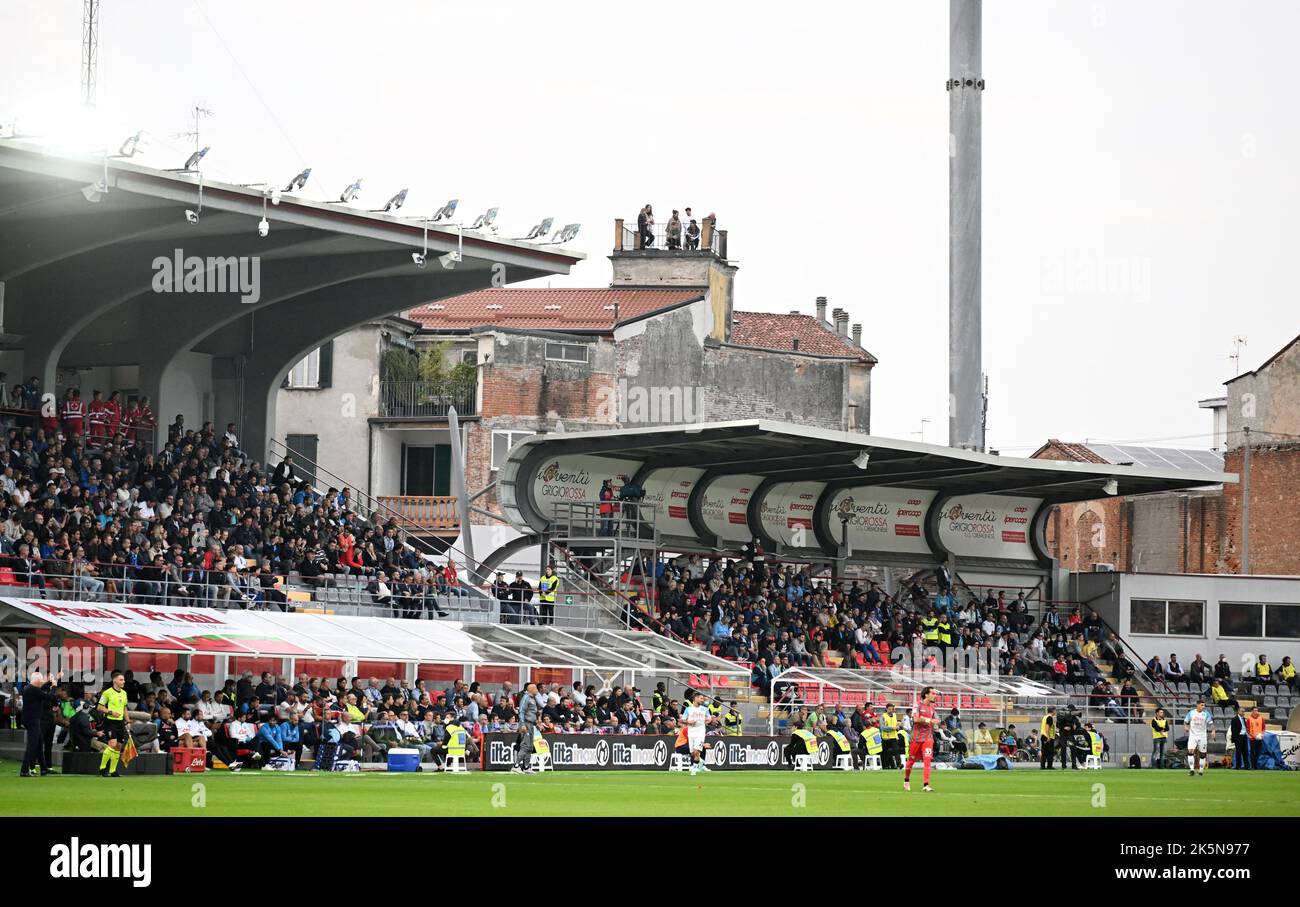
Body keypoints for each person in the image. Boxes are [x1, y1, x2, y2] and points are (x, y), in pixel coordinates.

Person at [19, 670, 60, 777]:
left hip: (30, 719)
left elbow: (42, 689)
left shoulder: (29, 688)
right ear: (37, 681)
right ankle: (24, 770)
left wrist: (51, 682)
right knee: (32, 745)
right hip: (33, 720)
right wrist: (54, 686)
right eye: (41, 680)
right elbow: (49, 697)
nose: (42, 682)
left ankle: (43, 768)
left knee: (38, 742)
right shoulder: (34, 690)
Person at [903, 686, 937, 792]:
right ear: (926, 694)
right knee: (911, 761)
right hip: (916, 738)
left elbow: (936, 720)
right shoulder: (917, 705)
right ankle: (906, 780)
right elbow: (916, 719)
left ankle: (926, 784)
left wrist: (935, 722)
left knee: (927, 760)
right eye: (933, 693)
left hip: (928, 738)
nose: (935, 695)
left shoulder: (932, 708)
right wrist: (928, 720)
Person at [97, 670, 130, 777]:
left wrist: (128, 720)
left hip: (120, 722)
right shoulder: (107, 693)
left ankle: (113, 770)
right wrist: (110, 712)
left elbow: (124, 708)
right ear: (114, 680)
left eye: (124, 679)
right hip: (110, 721)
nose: (123, 681)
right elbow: (99, 707)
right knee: (112, 744)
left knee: (118, 746)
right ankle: (102, 768)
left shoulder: (124, 693)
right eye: (121, 679)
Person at [511, 681, 540, 773]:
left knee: (530, 746)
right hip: (526, 724)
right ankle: (516, 766)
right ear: (531, 689)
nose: (537, 690)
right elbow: (521, 711)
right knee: (525, 745)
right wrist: (522, 724)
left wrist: (537, 723)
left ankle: (526, 767)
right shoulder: (526, 698)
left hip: (531, 724)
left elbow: (531, 713)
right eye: (535, 688)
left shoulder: (533, 698)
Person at [1184, 698, 1215, 777]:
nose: (1203, 707)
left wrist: (1213, 731)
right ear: (1197, 705)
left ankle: (1201, 770)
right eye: (1202, 705)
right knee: (1190, 751)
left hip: (1202, 736)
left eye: (1204, 705)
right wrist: (1186, 727)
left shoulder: (1206, 714)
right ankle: (1191, 769)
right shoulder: (1191, 713)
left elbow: (1211, 723)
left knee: (1202, 754)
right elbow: (1186, 721)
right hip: (1193, 735)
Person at [683, 693, 711, 775]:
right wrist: (688, 721)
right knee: (692, 753)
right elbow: (683, 719)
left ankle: (694, 769)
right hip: (691, 732)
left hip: (700, 732)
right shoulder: (688, 709)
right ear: (695, 698)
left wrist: (707, 721)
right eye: (701, 698)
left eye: (703, 699)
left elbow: (709, 718)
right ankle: (701, 762)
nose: (703, 700)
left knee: (696, 751)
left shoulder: (704, 709)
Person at [880, 702, 901, 769]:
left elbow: (896, 724)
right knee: (885, 753)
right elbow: (882, 728)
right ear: (886, 709)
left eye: (892, 709)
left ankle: (899, 764)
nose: (891, 711)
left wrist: (898, 726)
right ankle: (885, 766)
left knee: (896, 750)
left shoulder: (895, 715)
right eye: (889, 709)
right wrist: (893, 728)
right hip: (885, 738)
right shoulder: (883, 716)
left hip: (894, 737)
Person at [1230, 704, 1250, 770]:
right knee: (1238, 752)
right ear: (1238, 711)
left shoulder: (1244, 719)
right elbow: (1233, 730)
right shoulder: (1234, 719)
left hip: (1244, 736)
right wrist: (1235, 739)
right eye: (1242, 711)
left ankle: (1247, 766)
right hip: (1238, 737)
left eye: (1244, 711)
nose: (1243, 713)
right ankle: (1238, 766)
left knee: (1245, 752)